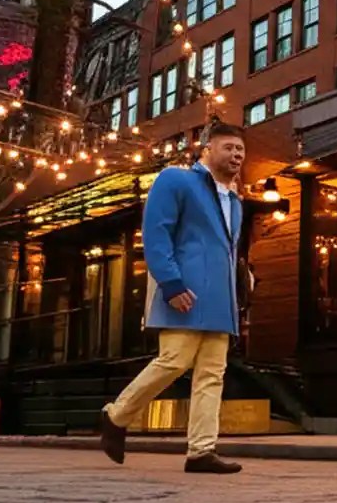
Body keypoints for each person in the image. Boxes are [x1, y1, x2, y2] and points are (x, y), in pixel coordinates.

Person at [98, 123, 248, 474]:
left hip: (220, 303)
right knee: (174, 360)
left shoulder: (236, 202)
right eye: (228, 147)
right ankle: (116, 415)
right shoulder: (175, 180)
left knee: (213, 374)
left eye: (241, 150)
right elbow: (156, 232)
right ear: (207, 149)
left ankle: (201, 451)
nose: (236, 155)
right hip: (185, 291)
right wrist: (170, 282)